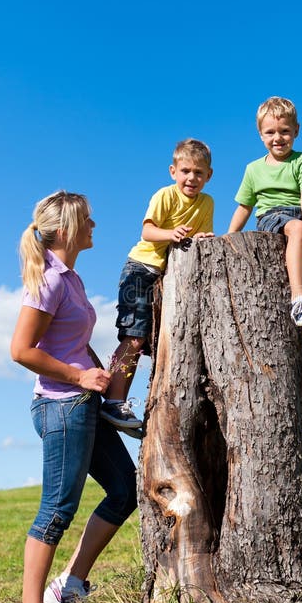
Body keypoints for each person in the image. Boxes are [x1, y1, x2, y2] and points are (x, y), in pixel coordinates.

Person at [11, 191, 138, 603]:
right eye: (88, 219)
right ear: (65, 229)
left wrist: (104, 383)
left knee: (126, 489)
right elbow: (21, 350)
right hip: (60, 406)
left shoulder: (72, 280)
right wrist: (79, 377)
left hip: (84, 405)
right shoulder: (47, 280)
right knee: (56, 510)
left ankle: (71, 583)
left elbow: (77, 346)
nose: (94, 225)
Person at [101, 138, 214, 432]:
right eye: (186, 171)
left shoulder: (206, 203)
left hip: (166, 277)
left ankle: (153, 405)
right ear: (173, 171)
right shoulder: (164, 195)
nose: (192, 178)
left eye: (199, 173)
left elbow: (196, 235)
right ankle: (113, 402)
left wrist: (200, 239)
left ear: (208, 175)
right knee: (134, 336)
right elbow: (148, 231)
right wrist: (171, 233)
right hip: (140, 269)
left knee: (158, 342)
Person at [228, 96, 302, 327]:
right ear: (260, 134)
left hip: (299, 213)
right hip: (271, 216)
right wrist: (229, 236)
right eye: (270, 132)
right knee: (297, 229)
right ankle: (297, 299)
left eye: (285, 131)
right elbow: (245, 206)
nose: (278, 138)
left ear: (296, 131)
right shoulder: (253, 169)